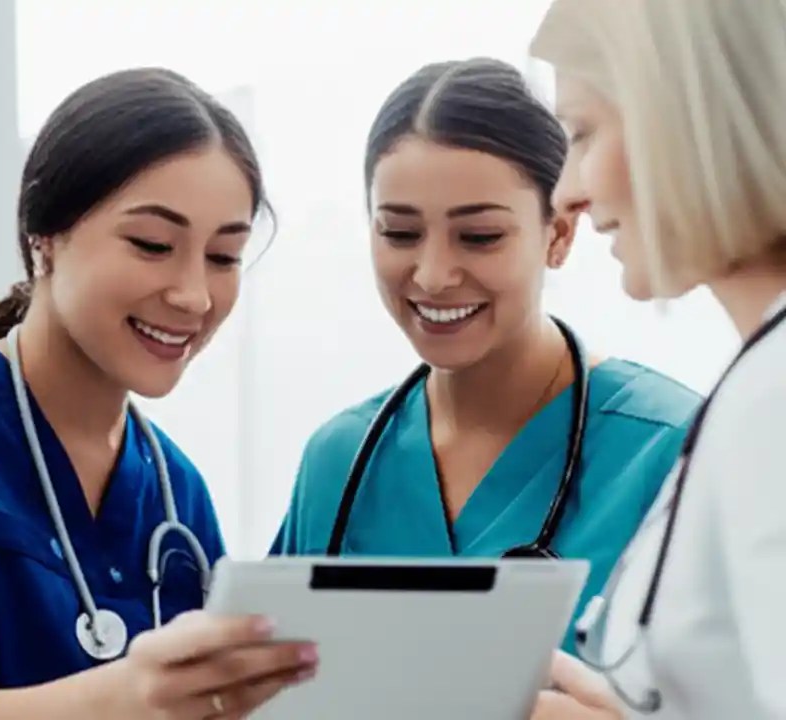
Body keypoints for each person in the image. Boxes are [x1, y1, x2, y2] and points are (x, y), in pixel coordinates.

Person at [0, 67, 318, 719]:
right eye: (153, 245)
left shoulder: (177, 497)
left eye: (223, 256)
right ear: (44, 237)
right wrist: (131, 695)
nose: (194, 295)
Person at [269, 57, 700, 651]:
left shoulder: (670, 449)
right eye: (399, 233)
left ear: (558, 236)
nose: (433, 274)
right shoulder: (339, 462)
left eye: (479, 237)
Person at [525, 0, 786, 717]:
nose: (567, 191)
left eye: (582, 133)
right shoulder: (756, 384)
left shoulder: (774, 403)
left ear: (683, 117)